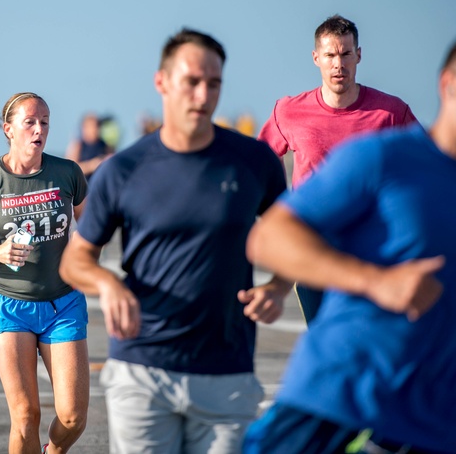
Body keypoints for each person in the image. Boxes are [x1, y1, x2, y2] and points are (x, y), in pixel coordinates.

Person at [243, 31, 456, 454]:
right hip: (330, 405)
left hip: (433, 428)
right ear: (450, 85)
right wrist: (376, 282)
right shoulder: (378, 158)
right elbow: (270, 238)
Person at [59, 28, 290, 454]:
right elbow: (75, 262)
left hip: (227, 371)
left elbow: (295, 238)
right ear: (162, 82)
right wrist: (108, 285)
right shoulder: (123, 170)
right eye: (192, 81)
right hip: (142, 370)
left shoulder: (254, 162)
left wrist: (278, 285)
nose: (204, 95)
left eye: (214, 84)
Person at [258, 14, 417, 323]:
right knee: (325, 335)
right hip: (312, 249)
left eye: (345, 54)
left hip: (373, 250)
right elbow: (259, 160)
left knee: (369, 337)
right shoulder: (289, 111)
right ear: (316, 58)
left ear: (359, 55)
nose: (338, 64)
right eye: (330, 55)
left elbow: (426, 165)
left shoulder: (391, 112)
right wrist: (279, 209)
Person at [0, 92, 90, 454]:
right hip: (8, 304)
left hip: (63, 303)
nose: (39, 129)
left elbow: (92, 229)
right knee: (24, 415)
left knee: (73, 417)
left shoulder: (67, 173)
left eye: (45, 122)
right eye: (30, 122)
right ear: (9, 129)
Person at [65, 112, 114, 181]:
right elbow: (69, 170)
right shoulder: (78, 146)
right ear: (84, 128)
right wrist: (91, 166)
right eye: (92, 126)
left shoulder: (105, 146)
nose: (95, 129)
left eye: (97, 126)